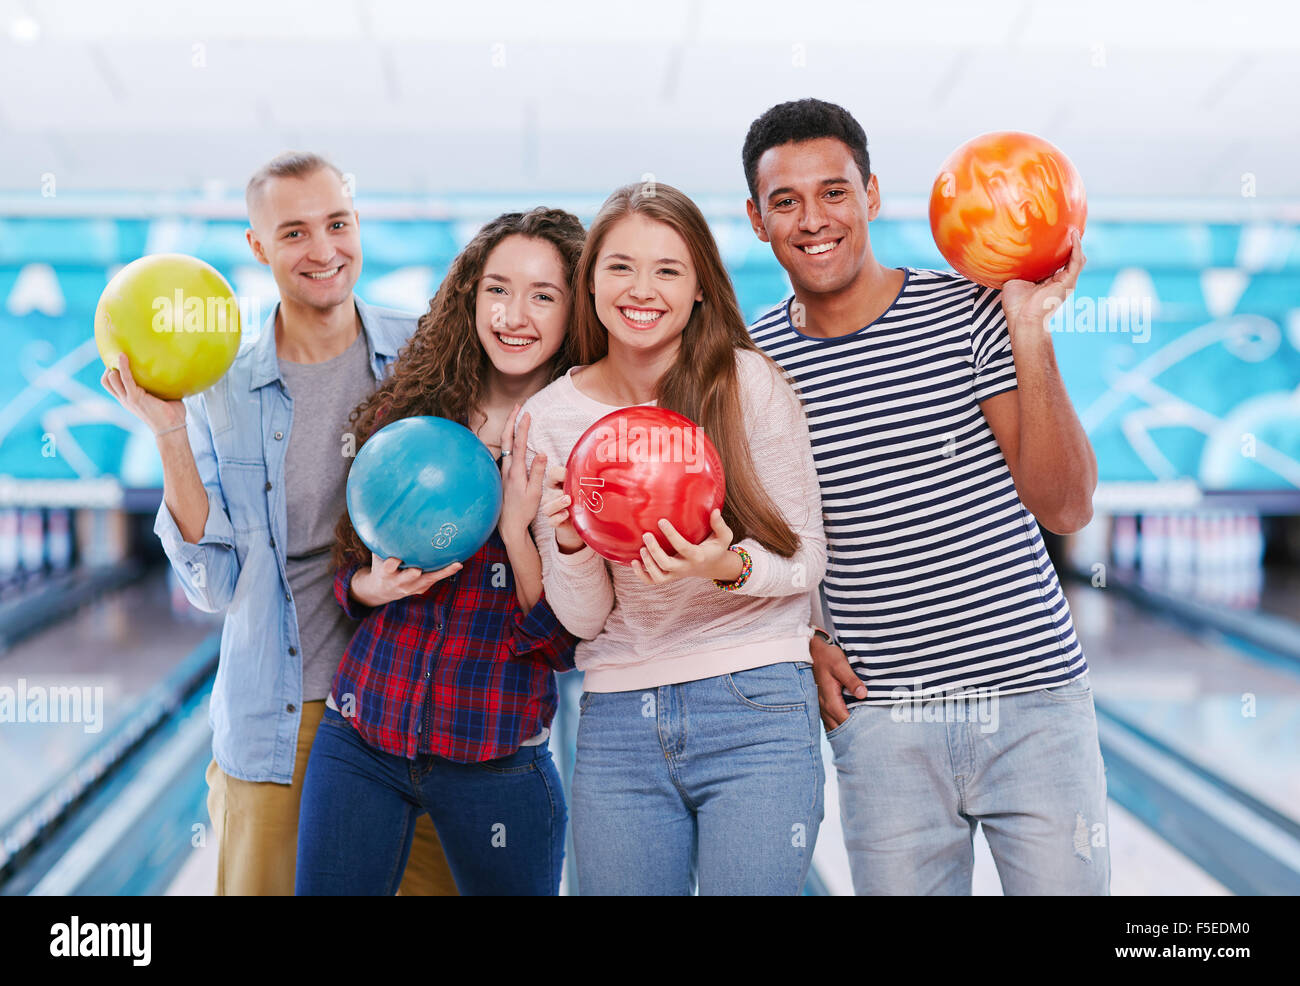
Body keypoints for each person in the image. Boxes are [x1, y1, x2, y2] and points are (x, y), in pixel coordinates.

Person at [741, 98, 1107, 895]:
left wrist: (1029, 331)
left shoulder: (971, 312)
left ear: (871, 195)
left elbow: (1067, 509)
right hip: (883, 726)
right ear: (756, 219)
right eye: (786, 200)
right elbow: (765, 543)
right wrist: (804, 640)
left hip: (1034, 702)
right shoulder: (754, 362)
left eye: (834, 191)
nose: (814, 219)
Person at [103, 151, 456, 895]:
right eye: (294, 233)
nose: (323, 250)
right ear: (257, 247)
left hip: (415, 696)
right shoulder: (219, 383)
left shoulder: (427, 347)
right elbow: (215, 583)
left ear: (358, 224)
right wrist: (169, 431)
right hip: (283, 711)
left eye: (337, 223)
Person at [523, 181, 827, 896]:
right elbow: (583, 620)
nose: (642, 289)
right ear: (590, 280)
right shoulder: (549, 419)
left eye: (668, 270)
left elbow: (806, 558)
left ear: (699, 290)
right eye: (620, 266)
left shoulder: (748, 384)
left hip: (758, 706)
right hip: (619, 716)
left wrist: (724, 565)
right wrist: (569, 544)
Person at [294, 209, 584, 896]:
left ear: (576, 312)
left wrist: (517, 533)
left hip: (496, 756)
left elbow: (565, 644)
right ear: (471, 296)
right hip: (362, 735)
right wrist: (370, 587)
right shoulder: (417, 409)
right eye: (497, 288)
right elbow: (348, 569)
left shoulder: (578, 443)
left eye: (544, 295)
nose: (515, 314)